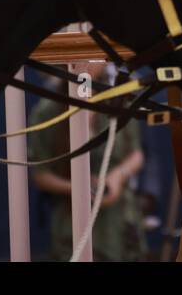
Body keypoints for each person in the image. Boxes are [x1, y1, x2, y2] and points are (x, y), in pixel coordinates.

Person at [28, 94, 147, 262]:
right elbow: (40, 174)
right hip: (72, 226)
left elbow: (136, 154)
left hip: (121, 222)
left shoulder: (119, 101)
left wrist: (117, 176)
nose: (86, 66)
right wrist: (78, 188)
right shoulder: (47, 111)